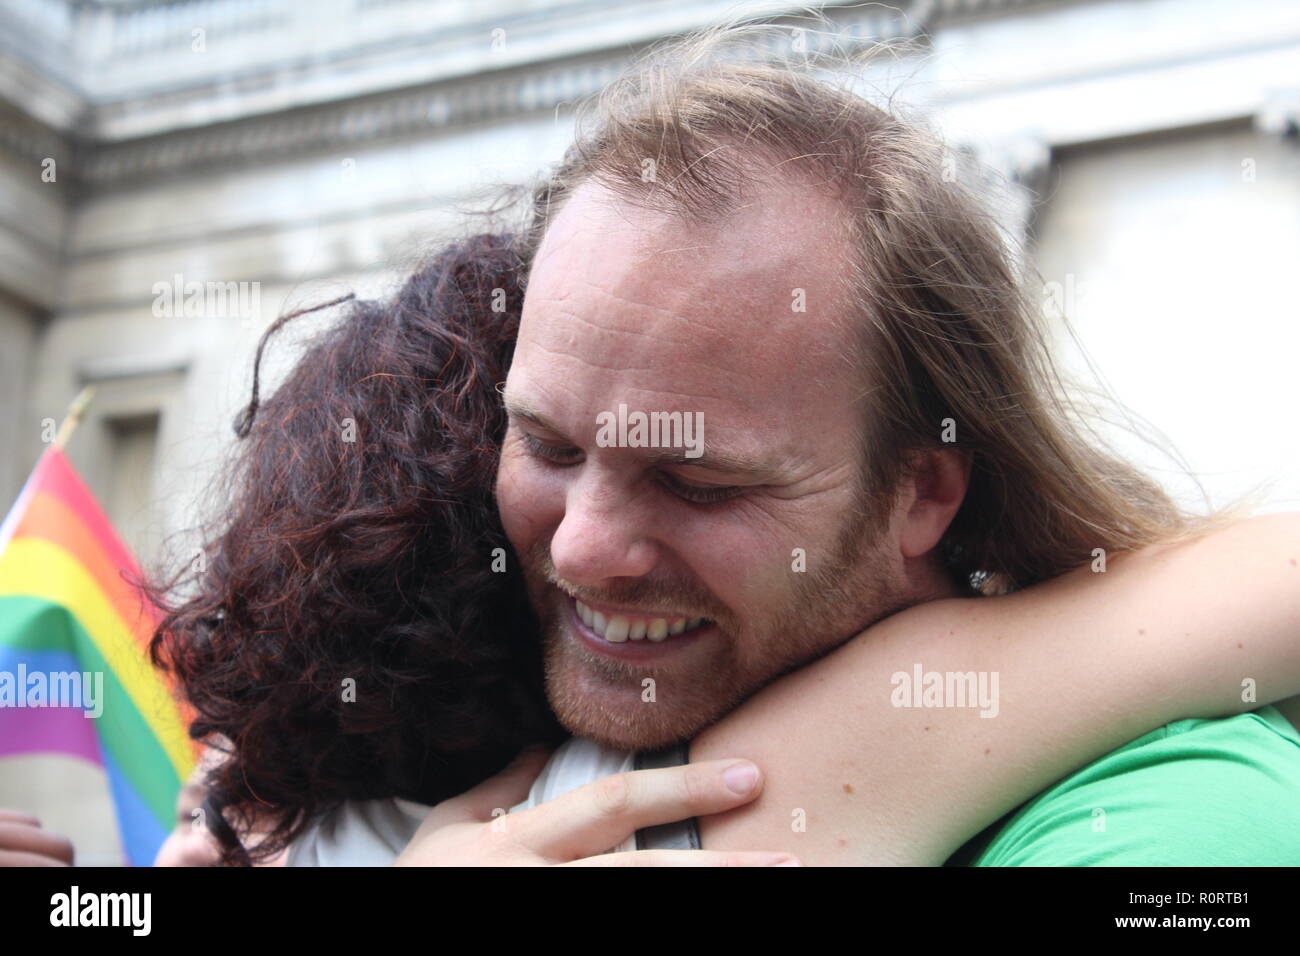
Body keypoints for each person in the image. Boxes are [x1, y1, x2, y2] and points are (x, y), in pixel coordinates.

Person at [151, 22, 1300, 867]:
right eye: (546, 445)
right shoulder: (481, 728)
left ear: (924, 490)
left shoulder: (1171, 816)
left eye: (696, 480)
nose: (587, 549)